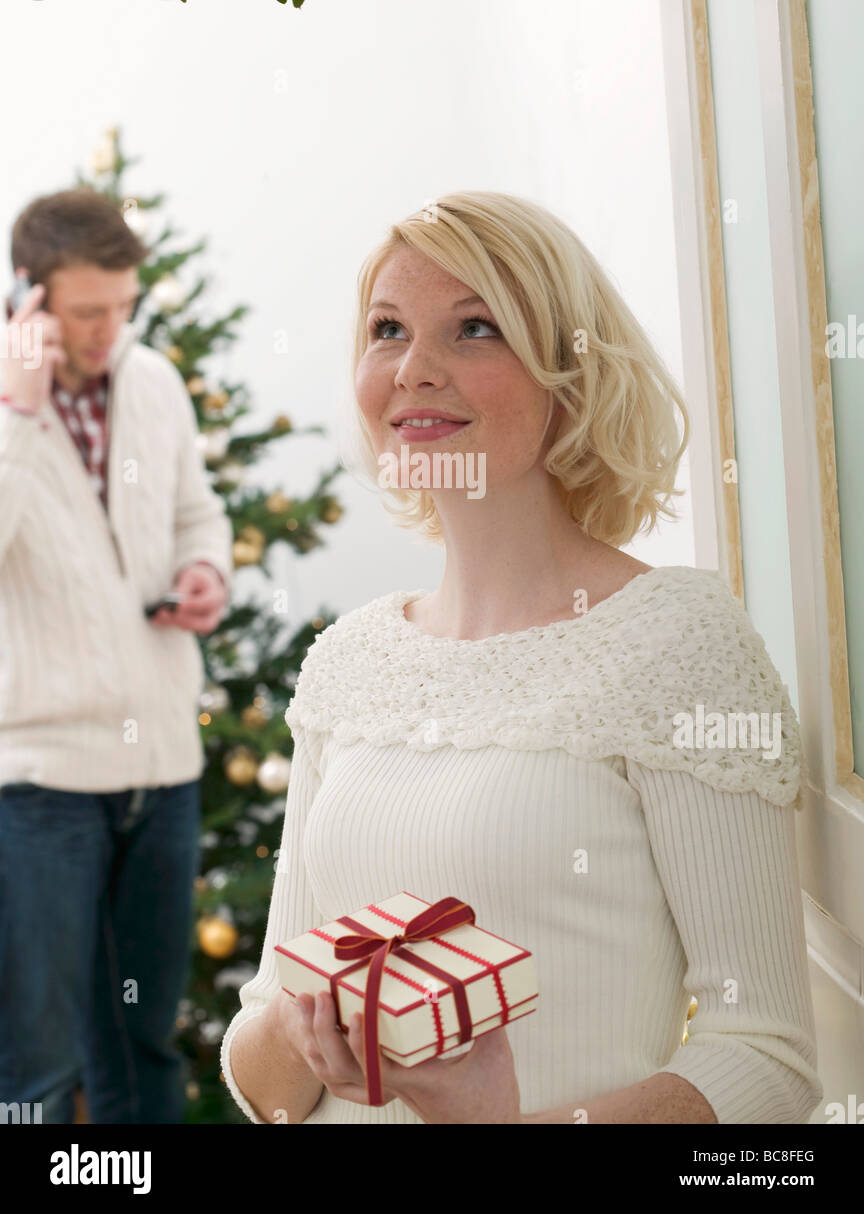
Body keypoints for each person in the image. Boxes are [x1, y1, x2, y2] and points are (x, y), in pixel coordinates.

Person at [220, 190, 822, 1125]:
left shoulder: (677, 643)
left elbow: (767, 1060)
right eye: (388, 329)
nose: (415, 370)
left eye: (475, 329)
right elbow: (266, 1072)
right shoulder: (348, 659)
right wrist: (301, 1034)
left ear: (569, 376)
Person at [0, 187, 233, 1124]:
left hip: (163, 770)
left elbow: (195, 513)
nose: (110, 330)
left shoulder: (155, 384)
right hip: (40, 784)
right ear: (30, 297)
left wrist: (207, 568)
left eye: (123, 307)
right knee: (38, 1070)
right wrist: (17, 408)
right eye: (88, 311)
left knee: (142, 1046)